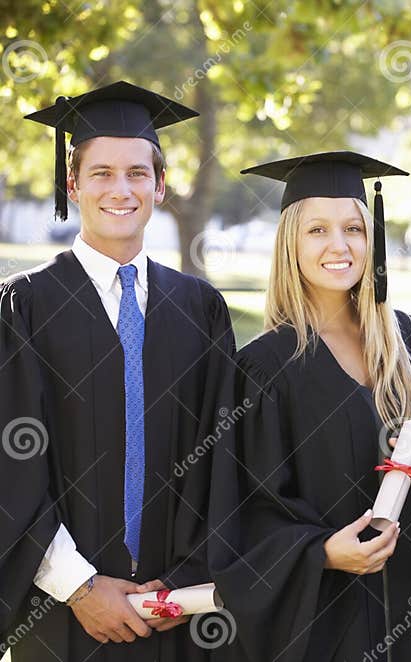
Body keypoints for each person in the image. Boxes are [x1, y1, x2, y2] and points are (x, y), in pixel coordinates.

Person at [0, 81, 235, 661]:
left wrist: (182, 586)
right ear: (72, 183)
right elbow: (9, 467)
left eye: (136, 172)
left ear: (159, 185)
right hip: (56, 613)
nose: (120, 189)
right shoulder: (23, 307)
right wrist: (79, 587)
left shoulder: (199, 308)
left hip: (175, 614)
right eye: (101, 173)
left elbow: (224, 457)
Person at [208, 151, 411, 662]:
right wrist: (319, 551)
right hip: (321, 623)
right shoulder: (265, 367)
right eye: (317, 231)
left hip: (409, 614)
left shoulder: (409, 344)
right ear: (290, 244)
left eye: (353, 229)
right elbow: (245, 509)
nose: (339, 246)